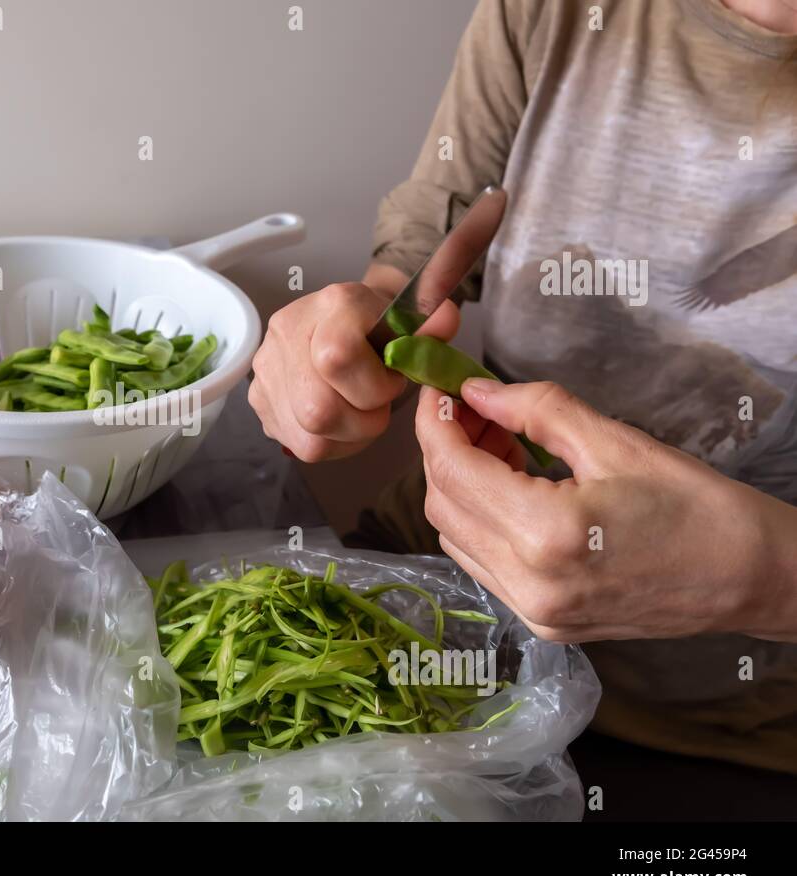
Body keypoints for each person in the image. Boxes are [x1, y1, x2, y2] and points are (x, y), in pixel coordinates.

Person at [249, 0, 797, 774]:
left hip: (728, 738)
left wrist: (764, 575)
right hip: (444, 610)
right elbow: (425, 257)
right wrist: (352, 340)